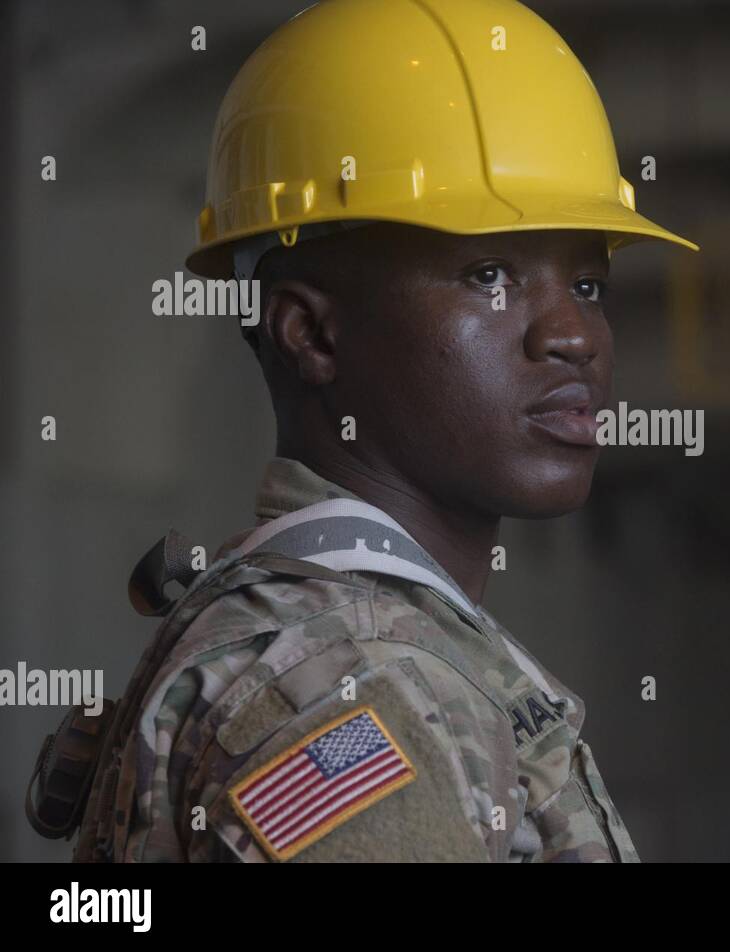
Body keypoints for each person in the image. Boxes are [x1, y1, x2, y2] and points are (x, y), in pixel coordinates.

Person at [74, 0, 696, 862]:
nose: (572, 335)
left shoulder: (341, 642)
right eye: (489, 275)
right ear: (311, 333)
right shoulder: (348, 699)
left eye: (587, 284)